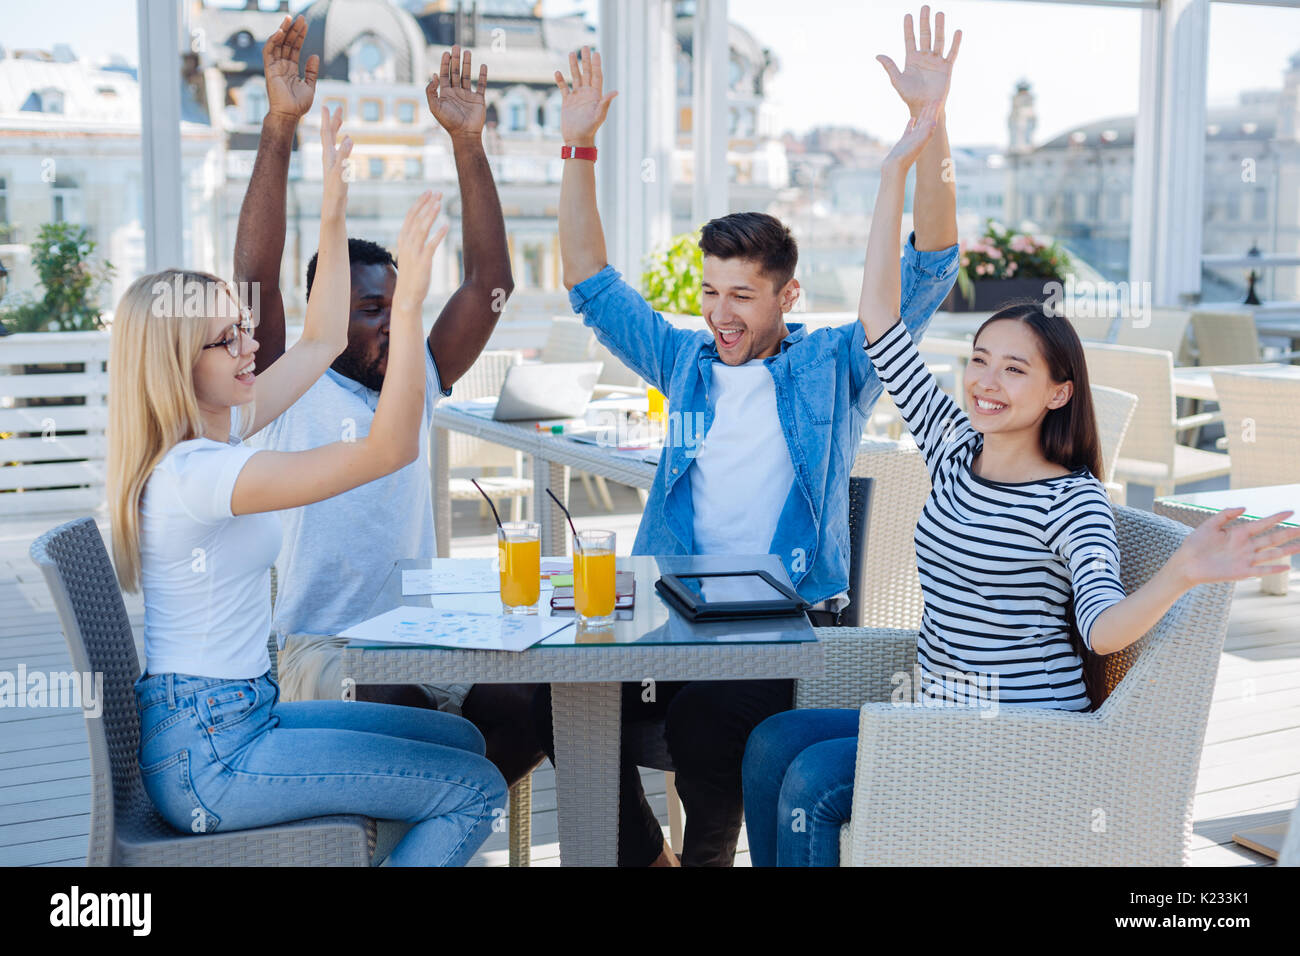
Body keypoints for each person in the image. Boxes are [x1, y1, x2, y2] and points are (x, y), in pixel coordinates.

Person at [741, 94, 1300, 867]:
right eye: (978, 360)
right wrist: (896, 166)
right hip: (931, 713)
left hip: (1010, 738)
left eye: (1015, 369)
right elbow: (878, 314)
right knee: (771, 742)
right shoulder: (950, 442)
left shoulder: (1071, 501)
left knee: (812, 782)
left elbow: (1101, 627)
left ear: (1059, 391)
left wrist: (1181, 572)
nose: (987, 382)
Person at [533, 6, 961, 868]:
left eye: (742, 296)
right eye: (711, 291)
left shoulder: (836, 365)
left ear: (787, 297)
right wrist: (577, 147)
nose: (720, 315)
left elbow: (930, 267)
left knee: (705, 722)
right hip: (673, 613)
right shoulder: (681, 359)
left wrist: (932, 127)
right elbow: (588, 281)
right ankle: (653, 859)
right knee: (553, 698)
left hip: (783, 624)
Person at [107, 98, 506, 866]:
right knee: (471, 788)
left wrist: (332, 199)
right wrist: (413, 300)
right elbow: (385, 450)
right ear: (177, 364)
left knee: (461, 738)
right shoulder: (202, 473)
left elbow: (323, 334)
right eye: (229, 339)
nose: (250, 343)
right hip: (213, 760)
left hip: (234, 720)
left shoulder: (221, 431)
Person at [239, 16, 543, 788]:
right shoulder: (287, 379)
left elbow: (489, 287)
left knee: (536, 702)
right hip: (323, 648)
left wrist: (469, 146)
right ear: (327, 310)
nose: (390, 320)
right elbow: (253, 277)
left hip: (425, 635)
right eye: (372, 308)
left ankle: (430, 817)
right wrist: (279, 127)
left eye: (398, 303)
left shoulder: (420, 375)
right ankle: (426, 812)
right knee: (393, 707)